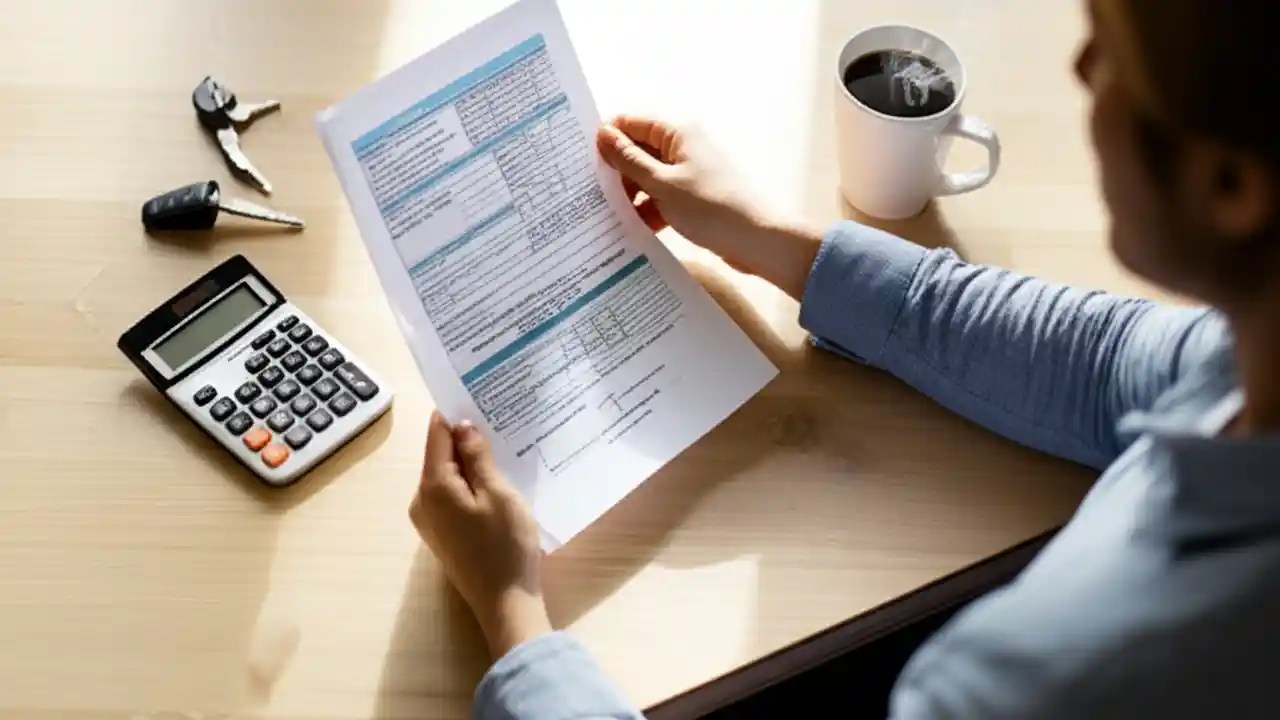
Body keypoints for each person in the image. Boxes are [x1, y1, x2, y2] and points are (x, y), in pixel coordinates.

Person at [409, 0, 1280, 717]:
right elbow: (1103, 358)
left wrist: (513, 615)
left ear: (1232, 185)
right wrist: (771, 239)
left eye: (1113, 51)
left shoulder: (1037, 684)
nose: (1082, 71)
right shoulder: (1246, 364)